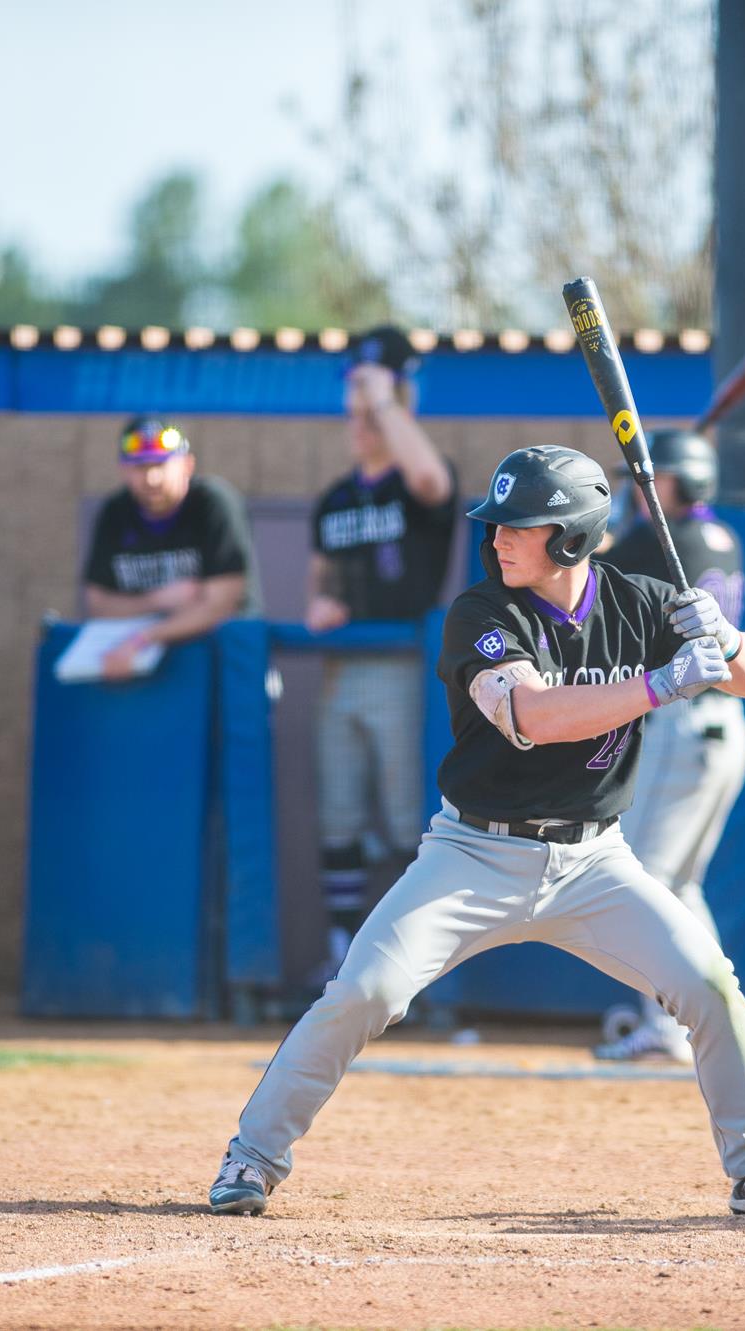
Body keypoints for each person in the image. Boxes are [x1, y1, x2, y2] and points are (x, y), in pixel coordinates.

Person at [207, 445, 745, 1221]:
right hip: (474, 855)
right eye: (496, 526)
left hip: (596, 861)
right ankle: (252, 1156)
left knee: (710, 984)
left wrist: (724, 637)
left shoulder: (640, 600)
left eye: (518, 527)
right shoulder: (482, 613)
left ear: (569, 536)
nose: (497, 538)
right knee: (364, 990)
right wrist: (662, 682)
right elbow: (535, 715)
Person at [303, 326, 458, 980]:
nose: (362, 422)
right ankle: (344, 951)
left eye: (375, 413)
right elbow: (318, 580)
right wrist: (320, 604)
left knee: (404, 821)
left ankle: (408, 960)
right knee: (337, 811)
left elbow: (428, 478)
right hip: (342, 670)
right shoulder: (335, 496)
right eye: (356, 413)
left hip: (401, 667)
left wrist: (385, 398)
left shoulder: (419, 477)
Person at [592, 428, 745, 1063]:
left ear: (672, 484)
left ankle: (669, 1028)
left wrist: (625, 511)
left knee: (646, 882)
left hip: (684, 726)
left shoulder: (660, 534)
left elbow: (587, 565)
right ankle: (710, 1020)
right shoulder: (721, 536)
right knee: (680, 885)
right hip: (726, 728)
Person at [81, 416, 259, 679]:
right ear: (123, 469)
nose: (152, 477)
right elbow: (99, 605)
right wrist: (161, 599)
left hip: (225, 666)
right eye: (140, 467)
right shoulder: (114, 512)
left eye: (161, 464)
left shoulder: (213, 504)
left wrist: (145, 637)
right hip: (144, 671)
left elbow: (221, 604)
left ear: (187, 465)